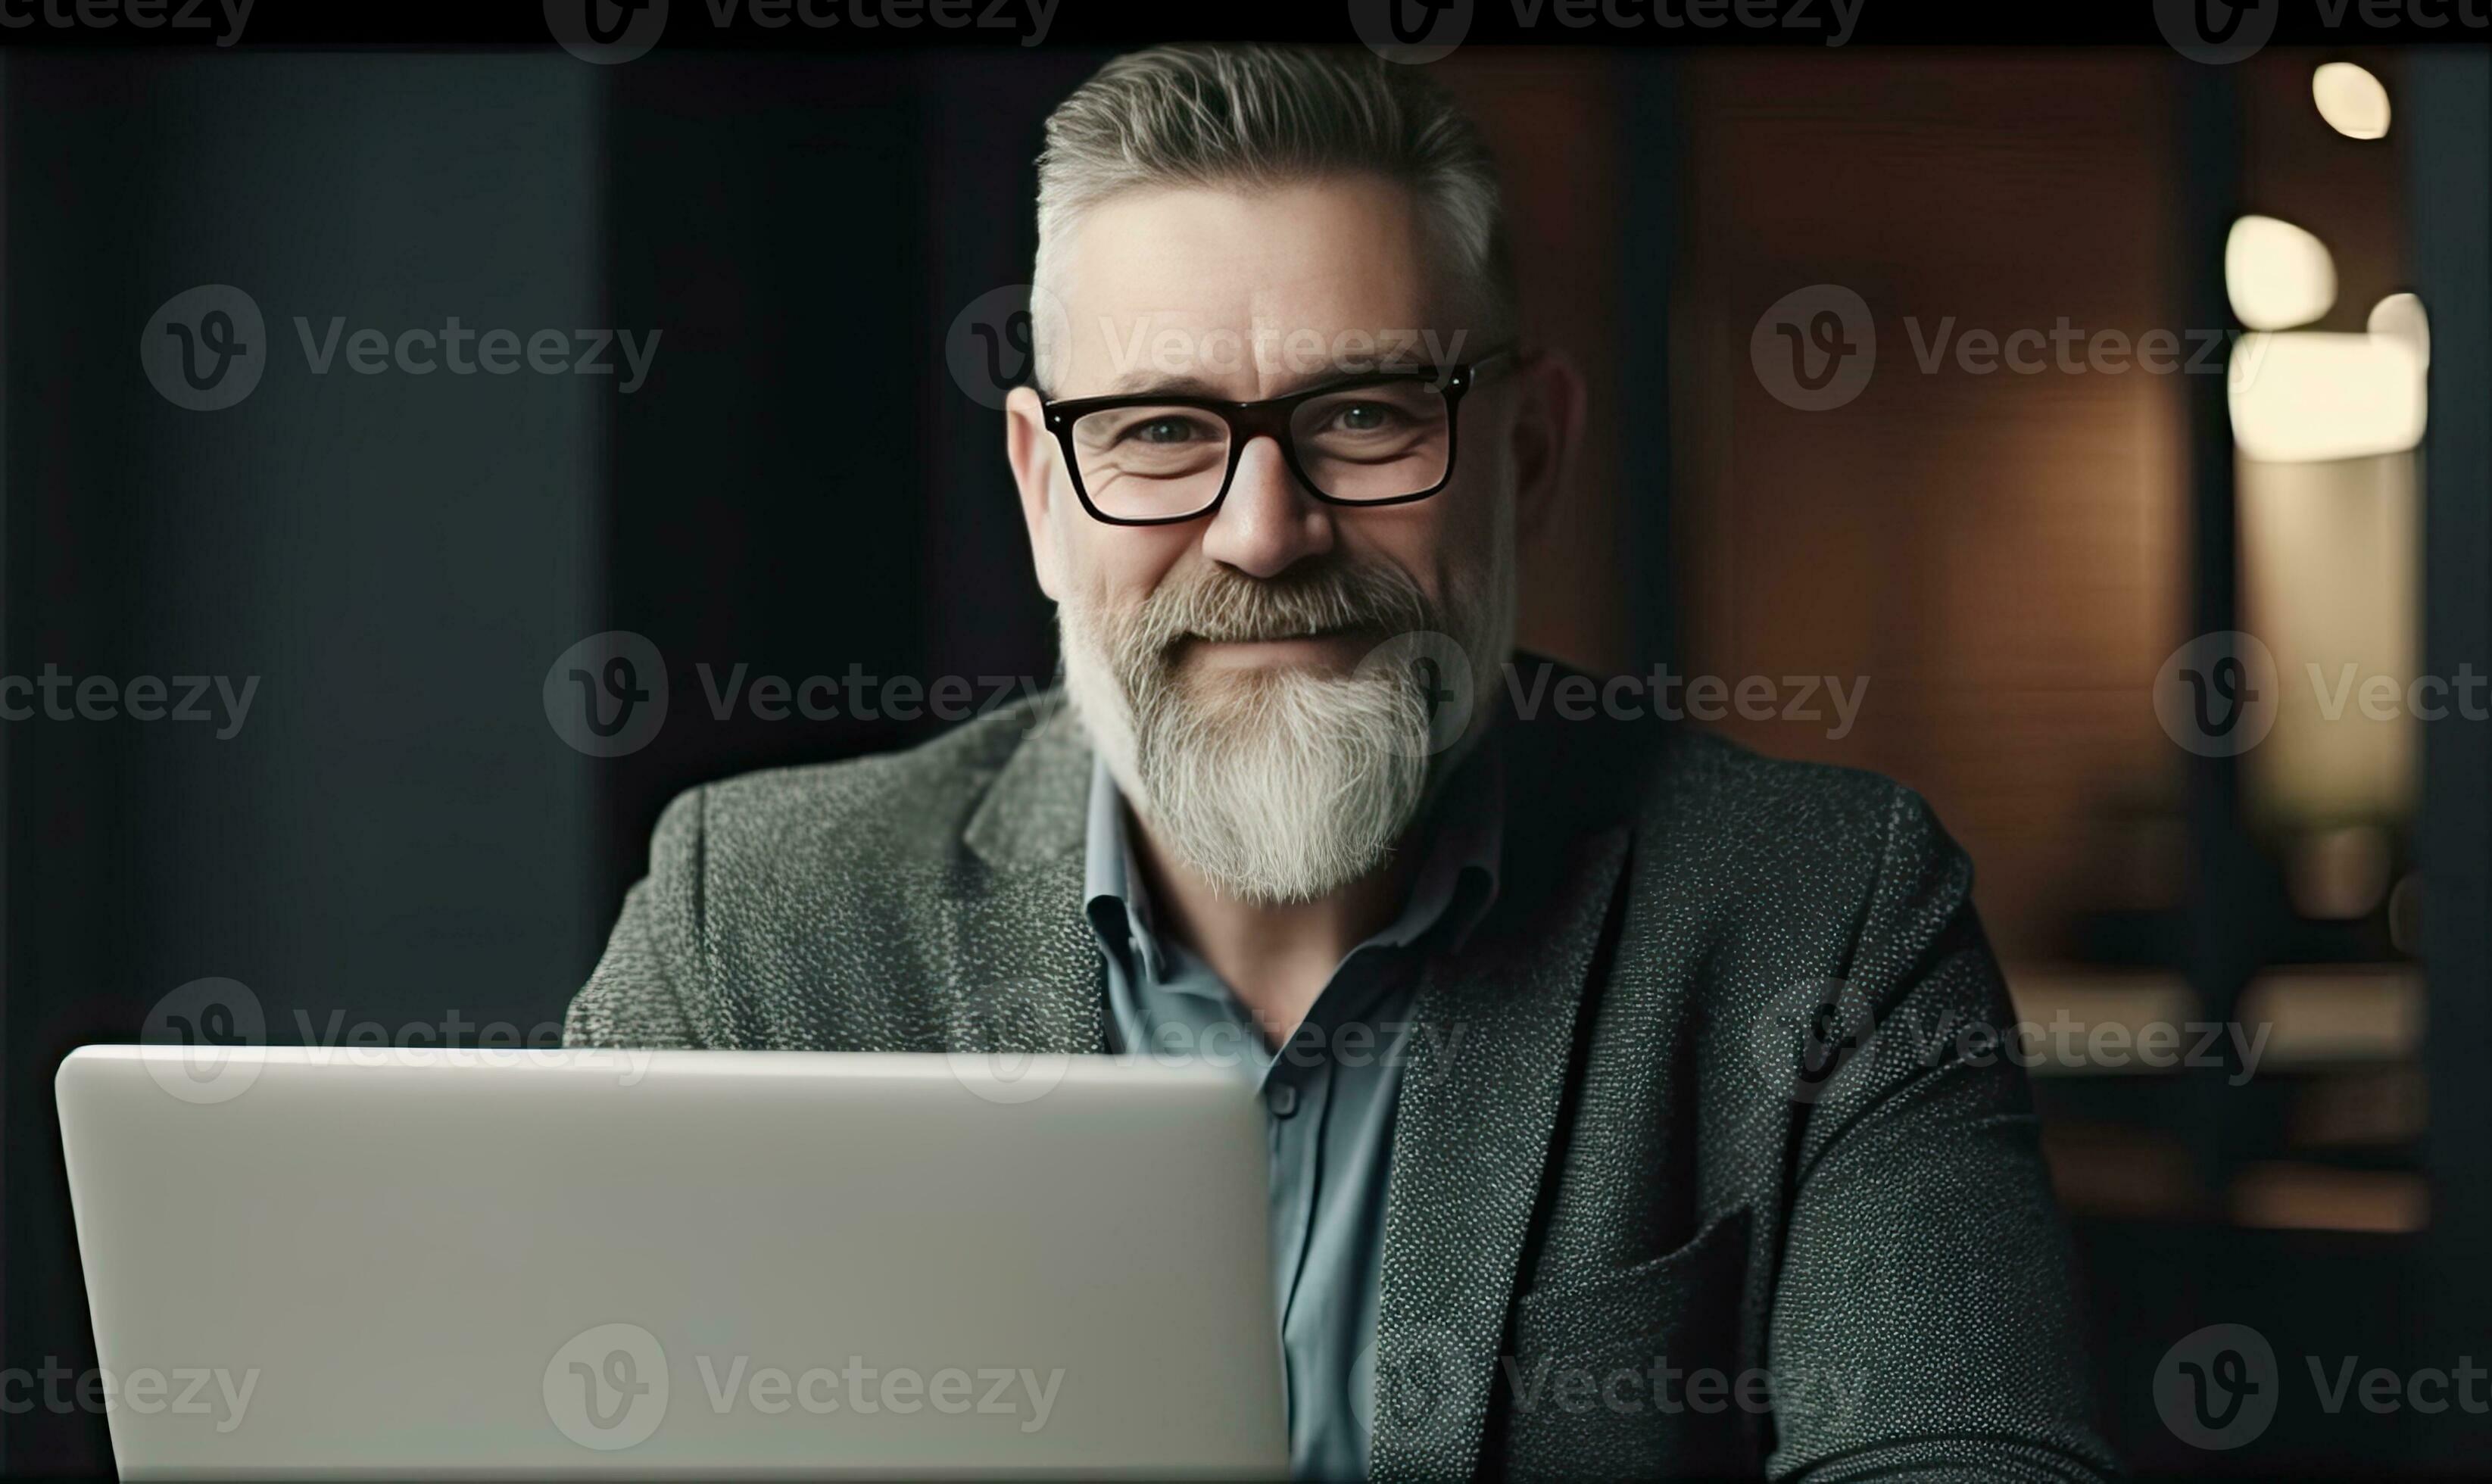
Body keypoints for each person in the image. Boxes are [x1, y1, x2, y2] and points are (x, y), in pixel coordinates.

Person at [566, 42, 2116, 1482]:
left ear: (1526, 455)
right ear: (1043, 492)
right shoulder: (755, 922)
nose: (1263, 531)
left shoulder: (1825, 913)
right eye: (1161, 430)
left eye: (1365, 414)